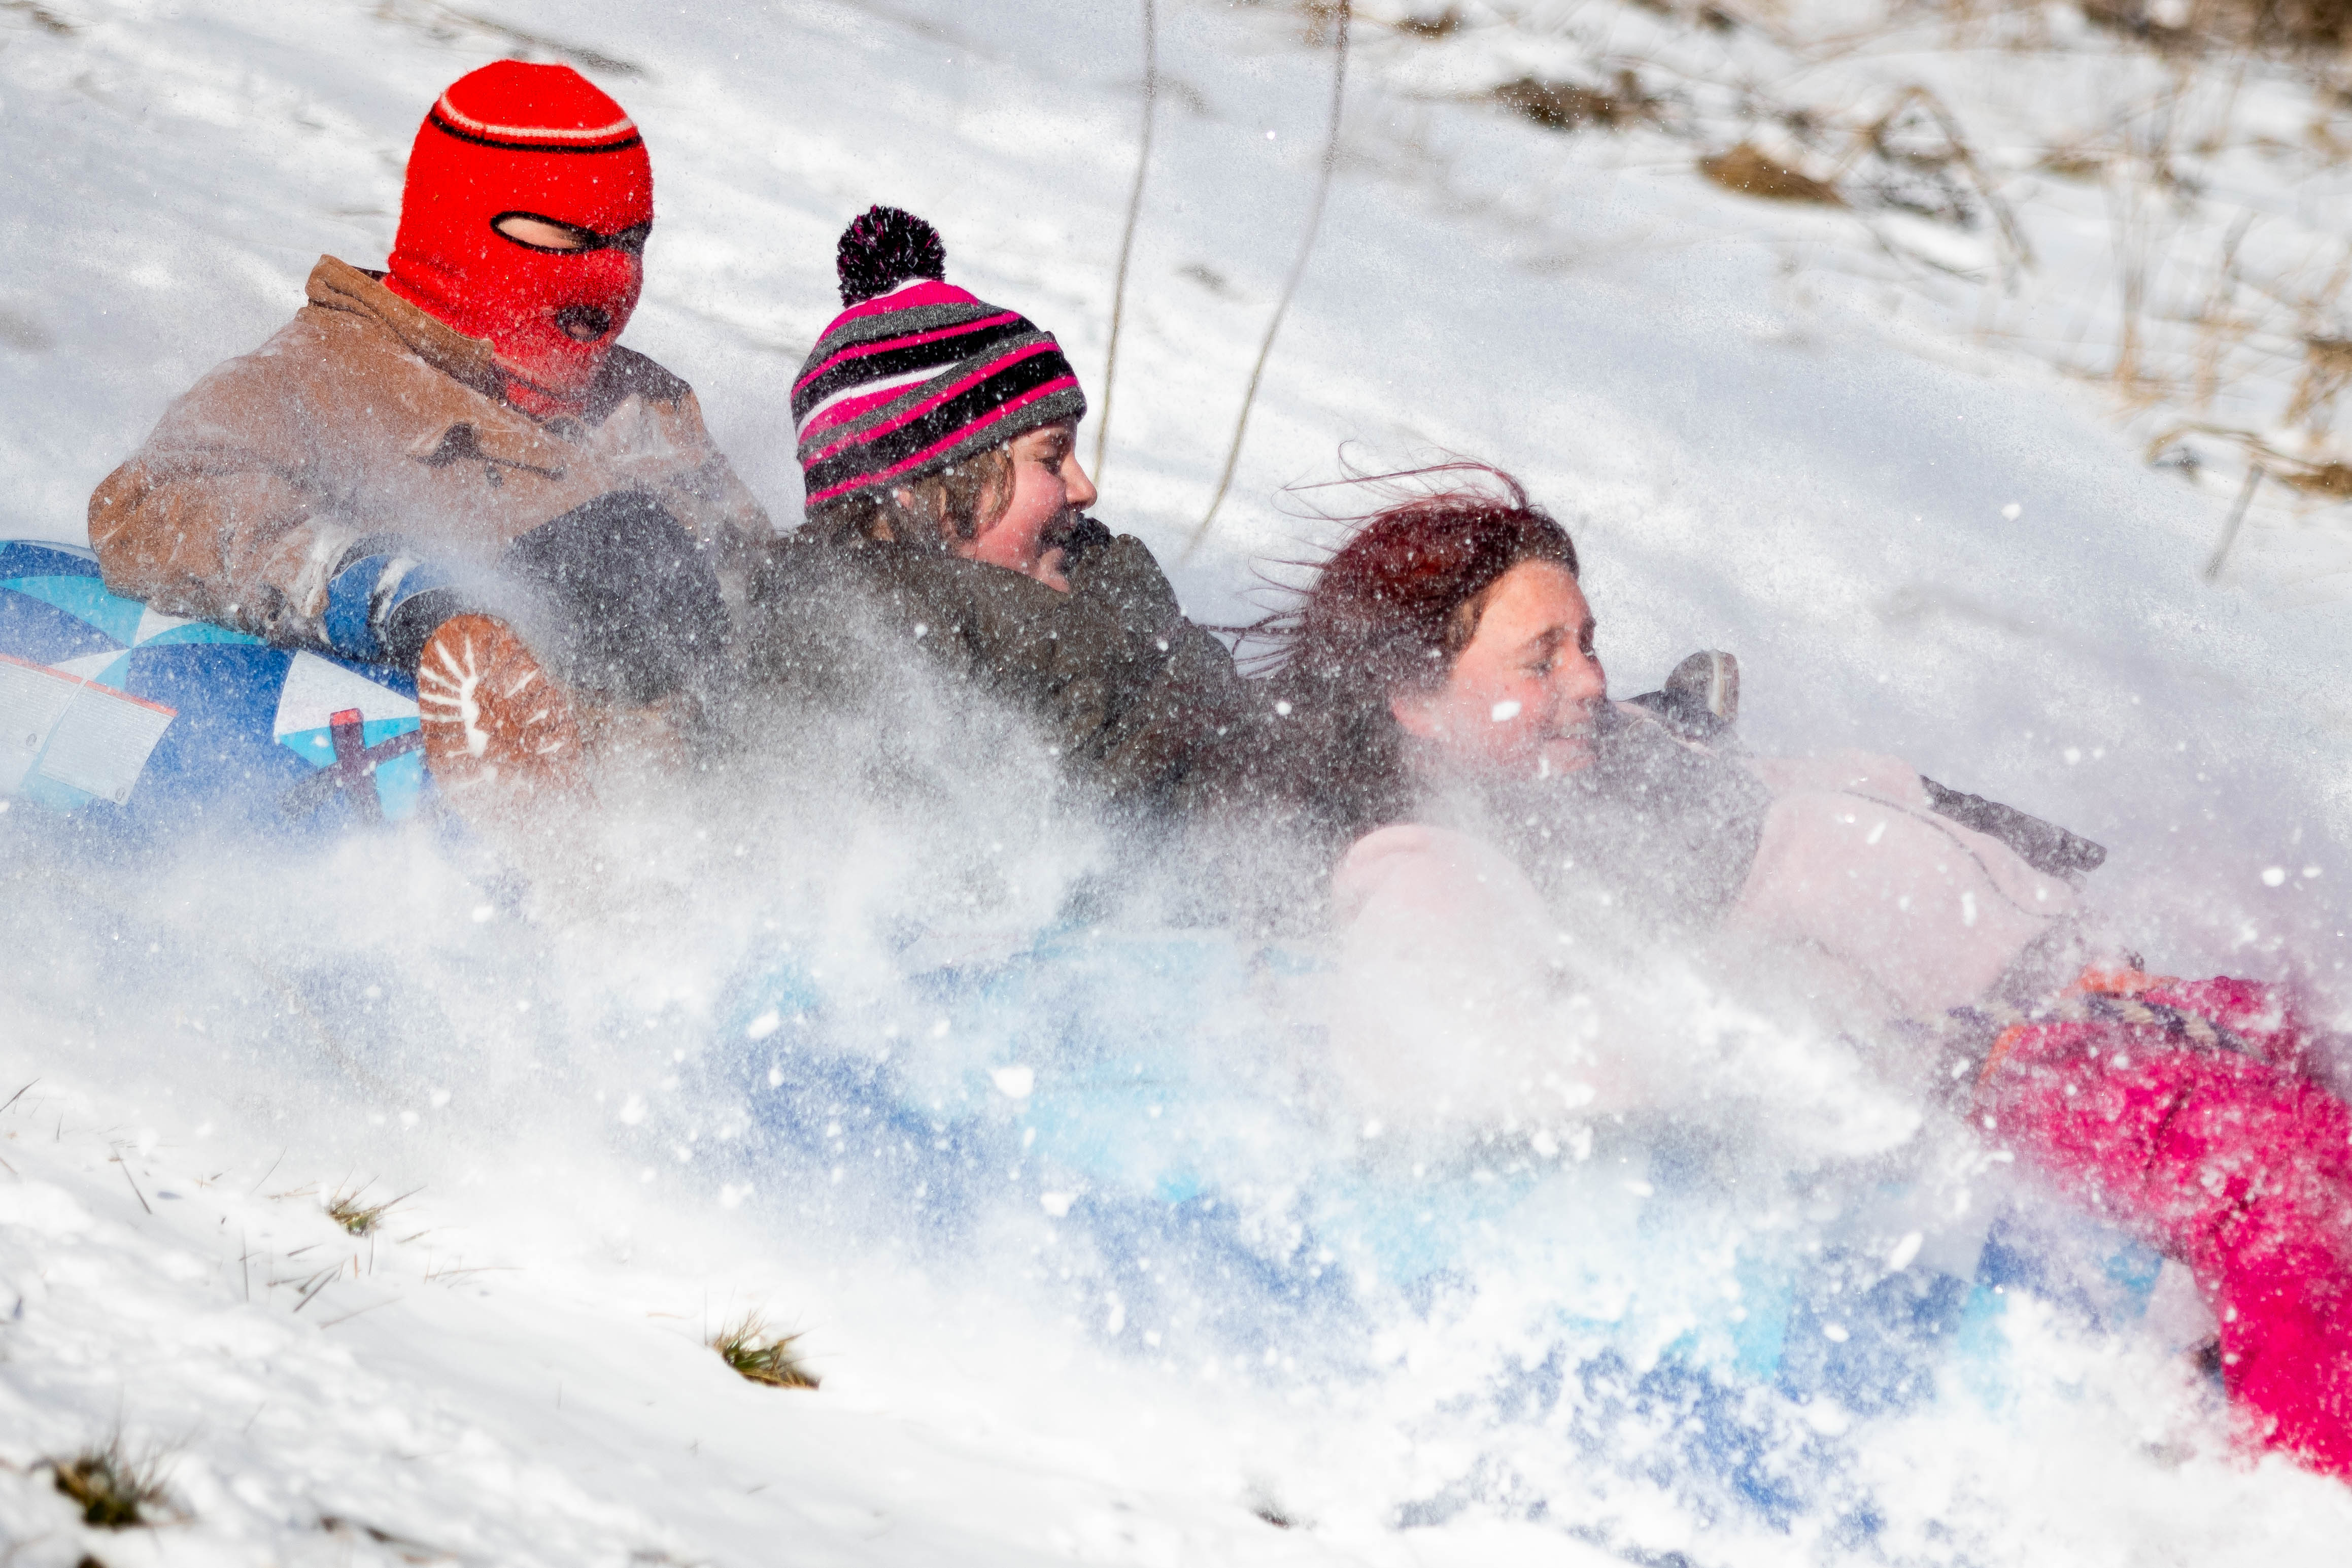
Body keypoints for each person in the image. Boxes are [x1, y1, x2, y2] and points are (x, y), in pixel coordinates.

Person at [1248, 463, 2352, 1479]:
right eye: (1540, 660)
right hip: (1972, 1076)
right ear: (1414, 701)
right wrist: (1829, 1063)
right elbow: (1501, 1053)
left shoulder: (1611, 770)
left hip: (2080, 1004)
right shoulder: (1428, 863)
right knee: (2270, 1168)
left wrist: (2058, 923)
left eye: (1586, 643)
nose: (1586, 680)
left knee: (2322, 1073)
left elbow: (1830, 802)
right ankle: (2308, 1496)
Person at [87, 61, 768, 817]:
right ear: (464, 225)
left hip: (693, 783)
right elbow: (151, 505)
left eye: (632, 243)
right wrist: (391, 585)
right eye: (572, 239)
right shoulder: (324, 374)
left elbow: (748, 573)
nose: (610, 276)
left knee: (644, 553)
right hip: (458, 763)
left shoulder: (643, 402)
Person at [739, 208, 1243, 821]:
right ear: (920, 490)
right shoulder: (846, 657)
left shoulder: (1116, 615)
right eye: (1050, 458)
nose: (1085, 489)